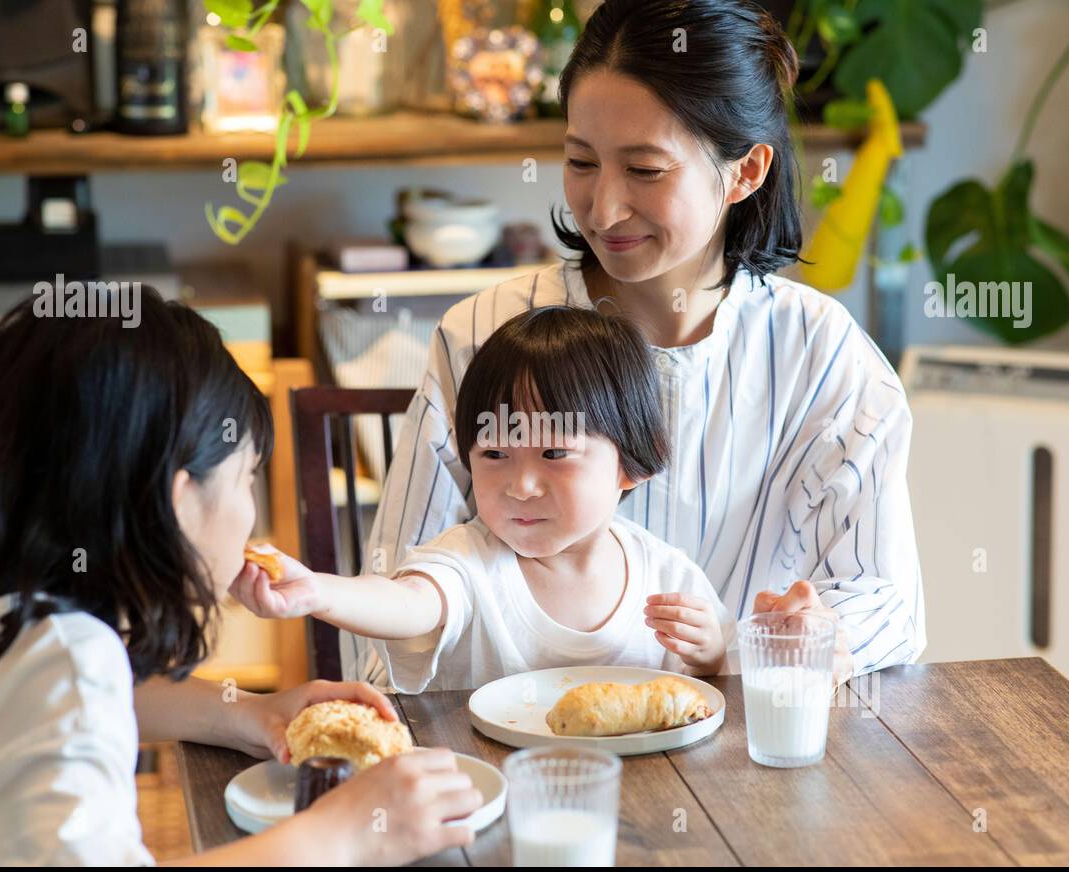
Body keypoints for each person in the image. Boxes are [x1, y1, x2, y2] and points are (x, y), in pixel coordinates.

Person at [351, 0, 925, 689]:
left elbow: (888, 607)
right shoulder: (482, 331)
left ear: (746, 171)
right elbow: (389, 623)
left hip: (738, 758)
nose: (604, 208)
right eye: (581, 162)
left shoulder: (823, 356)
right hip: (519, 758)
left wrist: (800, 636)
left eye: (646, 170)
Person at [0, 290, 481, 866]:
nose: (249, 511)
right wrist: (341, 837)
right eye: (247, 478)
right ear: (177, 499)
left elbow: (25, 705)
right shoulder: (67, 659)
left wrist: (247, 714)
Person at [233, 305, 737, 692]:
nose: (520, 485)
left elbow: (715, 686)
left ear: (631, 462)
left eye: (554, 452)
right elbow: (408, 603)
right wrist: (320, 592)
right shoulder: (469, 562)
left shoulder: (668, 576)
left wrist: (712, 654)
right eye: (494, 453)